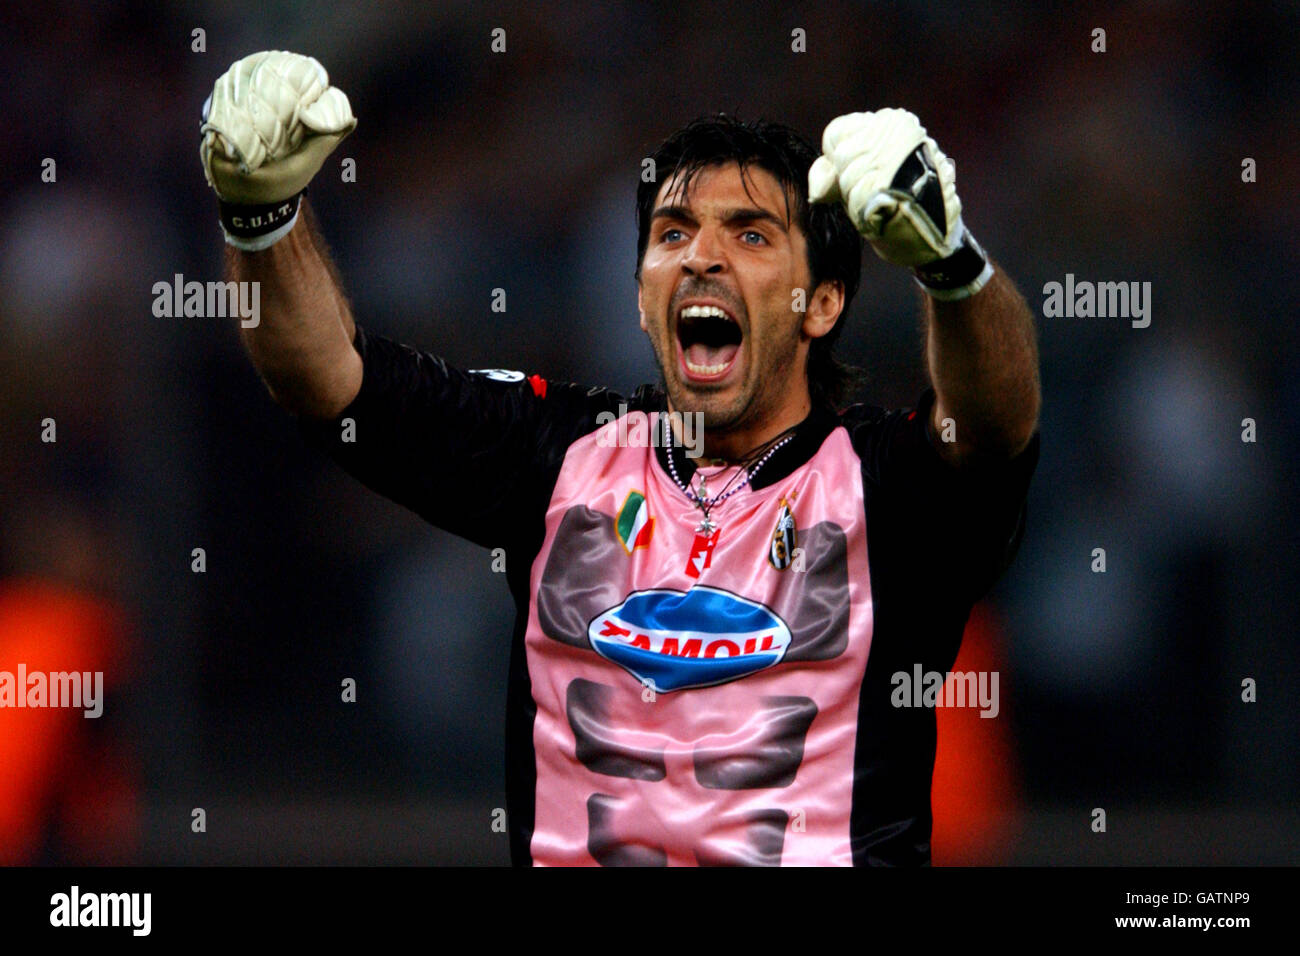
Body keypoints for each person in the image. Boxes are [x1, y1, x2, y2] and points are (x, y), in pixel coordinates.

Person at [201, 51, 1041, 866]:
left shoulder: (883, 485)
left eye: (750, 235)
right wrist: (260, 215)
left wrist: (952, 263)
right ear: (642, 293)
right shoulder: (557, 454)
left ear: (821, 302)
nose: (701, 257)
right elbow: (327, 379)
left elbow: (995, 425)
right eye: (674, 232)